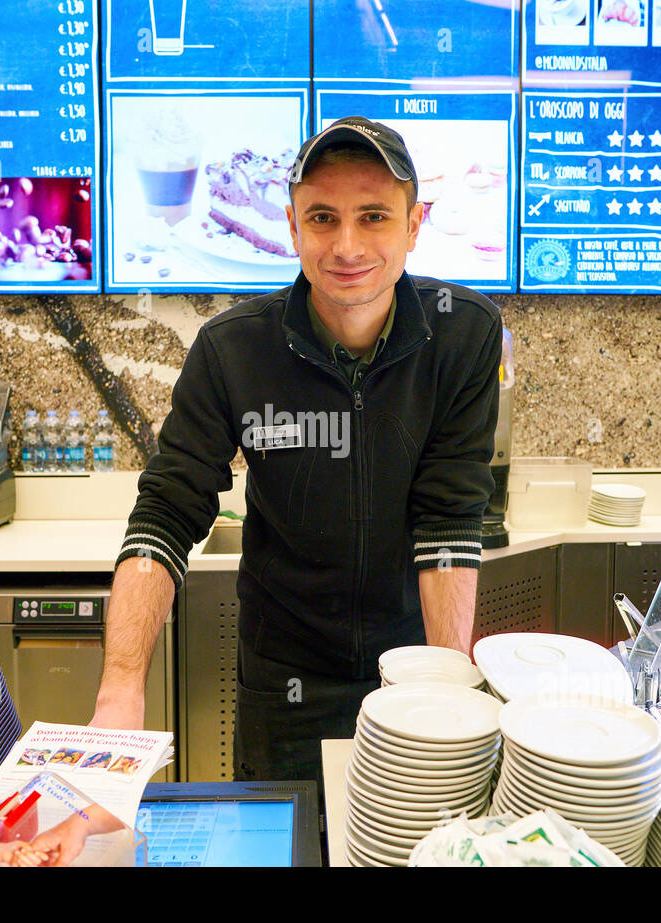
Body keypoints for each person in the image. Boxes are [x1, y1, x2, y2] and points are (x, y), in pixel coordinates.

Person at [92, 115, 503, 785]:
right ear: (291, 226)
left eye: (373, 216)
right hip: (284, 690)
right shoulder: (233, 349)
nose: (347, 245)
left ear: (415, 224)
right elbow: (167, 511)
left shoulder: (463, 336)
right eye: (322, 218)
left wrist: (447, 687)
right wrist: (119, 688)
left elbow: (448, 519)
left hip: (411, 677)